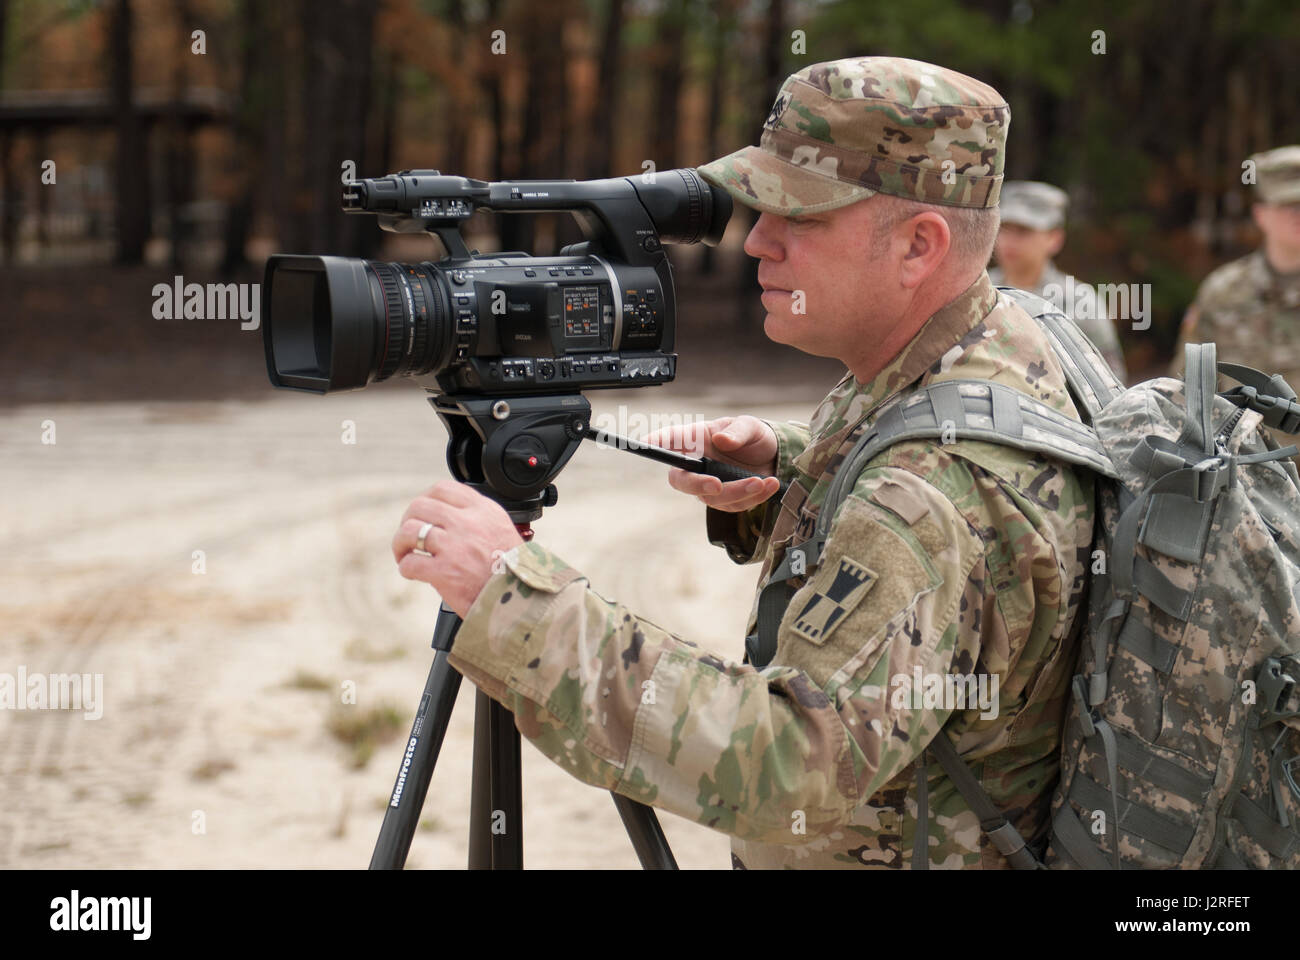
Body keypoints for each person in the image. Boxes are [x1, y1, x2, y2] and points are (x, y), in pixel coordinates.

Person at [390, 56, 1095, 869]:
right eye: (759, 207)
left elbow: (792, 763)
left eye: (801, 216)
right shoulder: (1005, 344)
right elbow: (995, 576)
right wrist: (794, 474)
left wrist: (515, 603)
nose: (757, 239)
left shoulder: (933, 490)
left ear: (919, 246)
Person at [1170, 146, 1300, 461]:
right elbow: (1188, 388)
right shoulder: (1223, 292)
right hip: (1246, 479)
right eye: (1289, 205)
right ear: (1260, 214)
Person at [989, 180, 1128, 381]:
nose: (1010, 241)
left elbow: (1110, 381)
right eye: (1005, 229)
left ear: (1054, 239)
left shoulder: (1080, 300)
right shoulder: (977, 290)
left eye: (1024, 231)